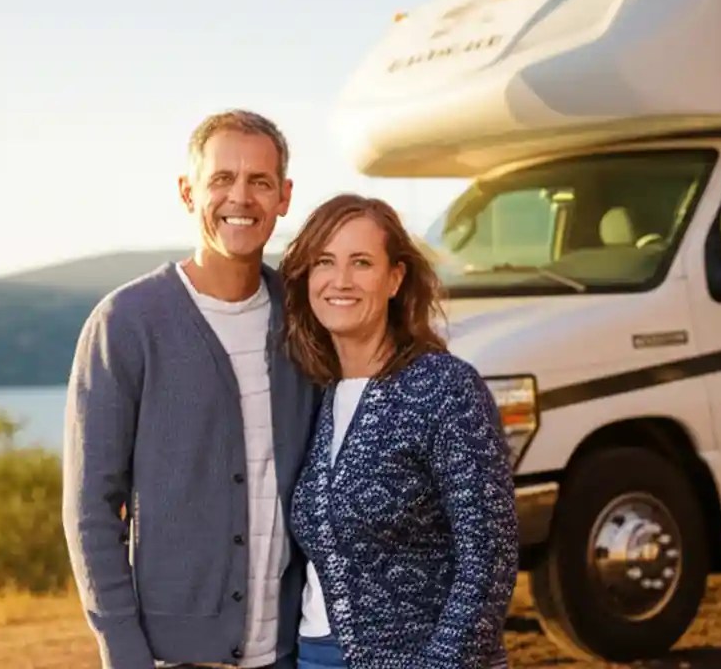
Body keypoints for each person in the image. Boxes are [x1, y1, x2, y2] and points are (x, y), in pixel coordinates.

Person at [62, 109, 320, 669]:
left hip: (290, 652)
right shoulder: (126, 323)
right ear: (187, 192)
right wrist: (124, 653)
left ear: (284, 196)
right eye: (221, 179)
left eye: (260, 181)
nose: (241, 197)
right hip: (169, 658)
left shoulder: (304, 320)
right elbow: (90, 509)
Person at [278, 194, 519, 669]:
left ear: (395, 279)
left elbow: (489, 557)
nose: (340, 281)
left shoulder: (445, 388)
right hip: (315, 657)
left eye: (361, 262)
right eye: (324, 261)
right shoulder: (319, 396)